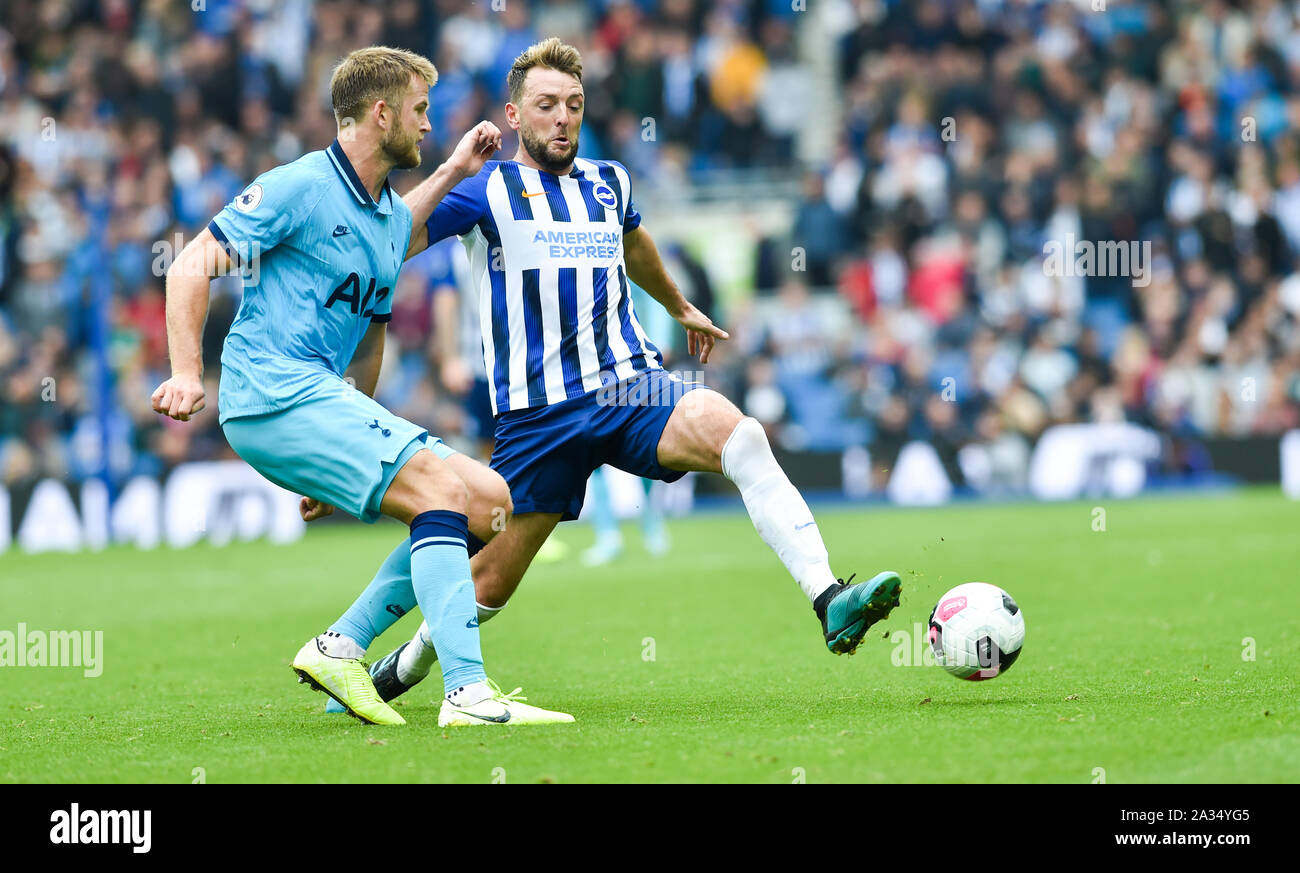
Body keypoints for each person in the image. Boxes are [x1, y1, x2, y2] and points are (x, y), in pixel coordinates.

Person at [326, 38, 902, 712]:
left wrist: (678, 303)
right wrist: (452, 169)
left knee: (738, 432)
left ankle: (829, 598)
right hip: (538, 416)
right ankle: (404, 661)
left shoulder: (610, 180)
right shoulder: (487, 189)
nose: (562, 117)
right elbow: (394, 237)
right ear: (514, 116)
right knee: (490, 579)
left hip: (632, 387)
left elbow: (633, 242)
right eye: (545, 106)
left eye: (573, 104)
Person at [150, 46, 570, 728]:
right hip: (270, 392)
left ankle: (340, 644)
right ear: (381, 114)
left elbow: (373, 330)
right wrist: (186, 372)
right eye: (420, 110)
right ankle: (467, 693)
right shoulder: (299, 186)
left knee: (492, 502)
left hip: (318, 402)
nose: (429, 123)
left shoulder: (384, 221)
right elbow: (190, 263)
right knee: (439, 490)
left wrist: (457, 169)